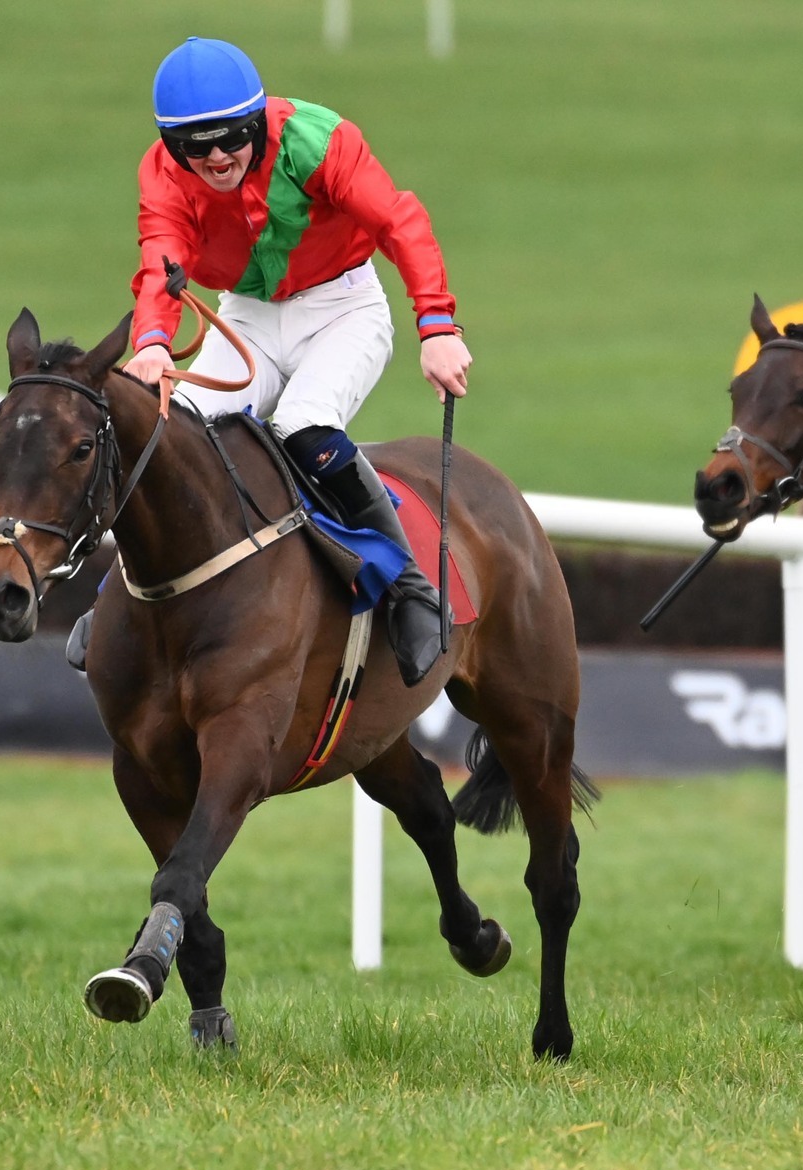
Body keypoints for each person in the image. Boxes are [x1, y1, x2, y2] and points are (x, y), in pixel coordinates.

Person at [100, 37, 469, 686]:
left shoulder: (316, 140)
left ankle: (409, 588)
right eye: (197, 145)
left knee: (302, 423)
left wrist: (437, 325)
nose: (216, 157)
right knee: (170, 437)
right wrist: (153, 341)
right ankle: (117, 593)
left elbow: (399, 222)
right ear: (171, 144)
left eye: (232, 138)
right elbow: (161, 257)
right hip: (246, 315)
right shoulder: (160, 171)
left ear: (257, 122)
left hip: (343, 308)